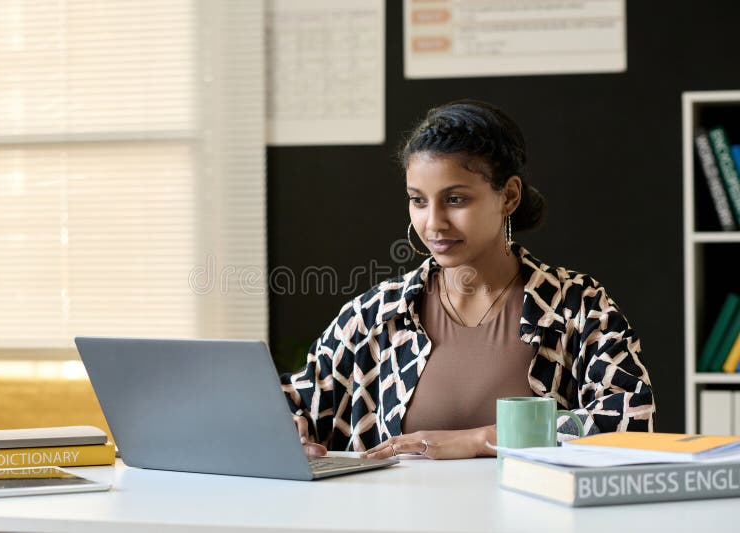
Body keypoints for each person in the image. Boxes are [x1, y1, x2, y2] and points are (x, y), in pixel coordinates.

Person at [281, 100, 656, 460]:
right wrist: (286, 426)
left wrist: (481, 440)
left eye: (456, 199)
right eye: (419, 200)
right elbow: (292, 400)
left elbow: (631, 418)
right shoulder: (378, 314)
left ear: (508, 196)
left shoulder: (576, 306)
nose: (433, 223)